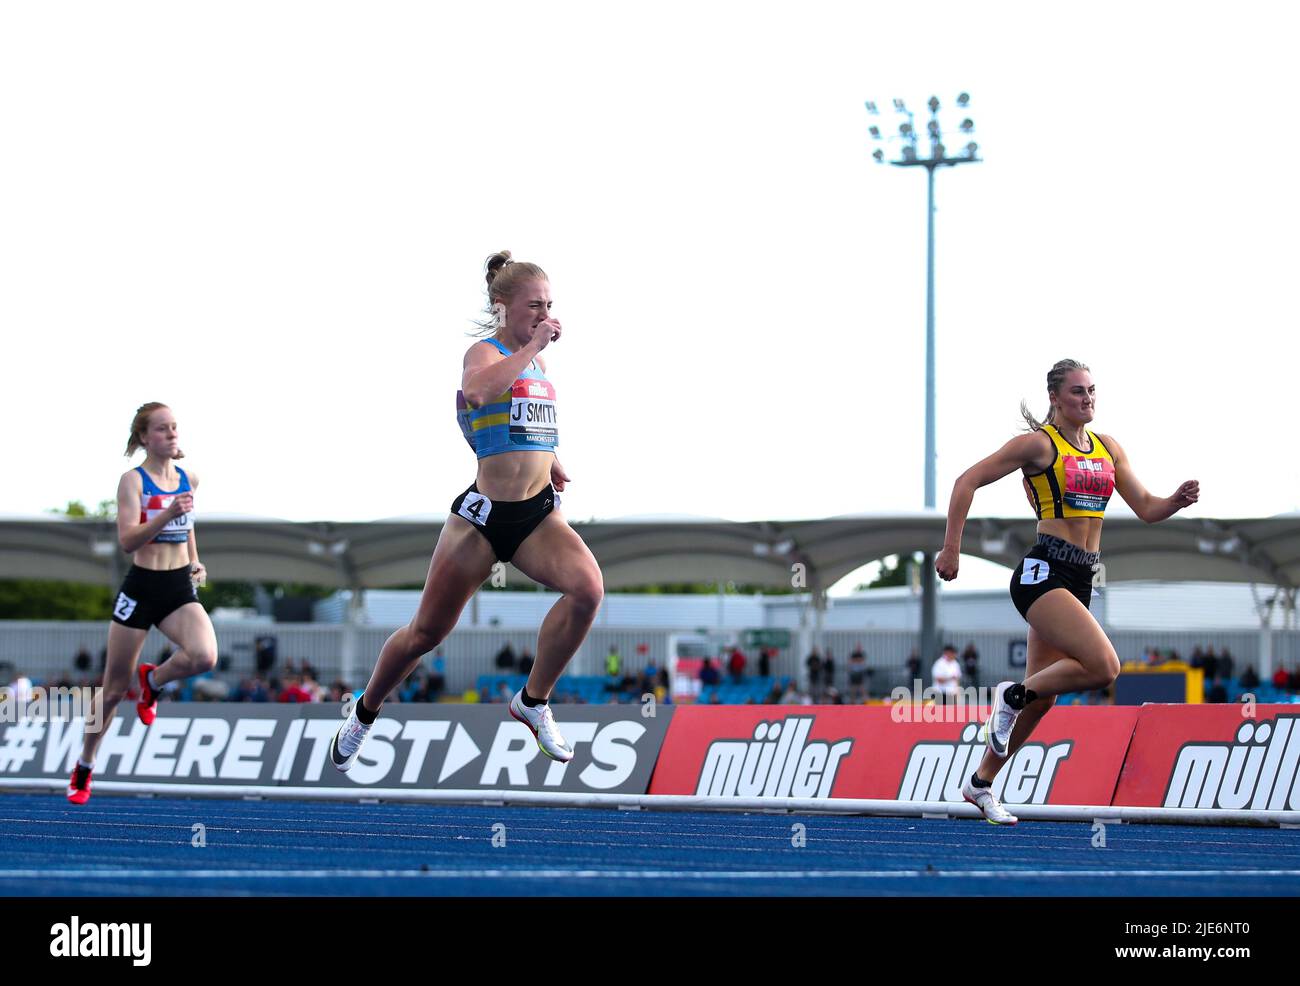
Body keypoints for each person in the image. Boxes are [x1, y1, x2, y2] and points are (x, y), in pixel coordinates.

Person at [330, 252, 603, 770]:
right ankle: (364, 712)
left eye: (550, 306)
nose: (544, 316)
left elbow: (519, 422)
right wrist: (535, 344)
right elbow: (480, 393)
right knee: (425, 634)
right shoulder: (485, 352)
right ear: (503, 308)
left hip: (537, 515)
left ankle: (534, 701)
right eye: (533, 307)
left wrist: (553, 462)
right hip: (482, 518)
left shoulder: (535, 362)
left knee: (588, 590)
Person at [937, 359, 1198, 824]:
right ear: (1055, 398)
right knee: (1103, 667)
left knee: (1046, 698)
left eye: (1092, 391)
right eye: (1078, 391)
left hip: (1081, 578)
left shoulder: (1108, 448)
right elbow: (966, 481)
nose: (1088, 398)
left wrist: (1174, 501)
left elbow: (1145, 507)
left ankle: (980, 784)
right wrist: (951, 549)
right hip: (1043, 573)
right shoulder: (1038, 444)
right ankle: (1010, 696)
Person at [68, 403, 219, 805]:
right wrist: (167, 512)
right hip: (141, 588)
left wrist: (195, 556)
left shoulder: (190, 477)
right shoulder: (132, 481)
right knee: (115, 688)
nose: (172, 434)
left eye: (175, 428)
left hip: (176, 586)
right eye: (162, 429)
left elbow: (187, 521)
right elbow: (128, 540)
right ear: (144, 438)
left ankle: (153, 681)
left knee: (205, 656)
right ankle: (85, 763)